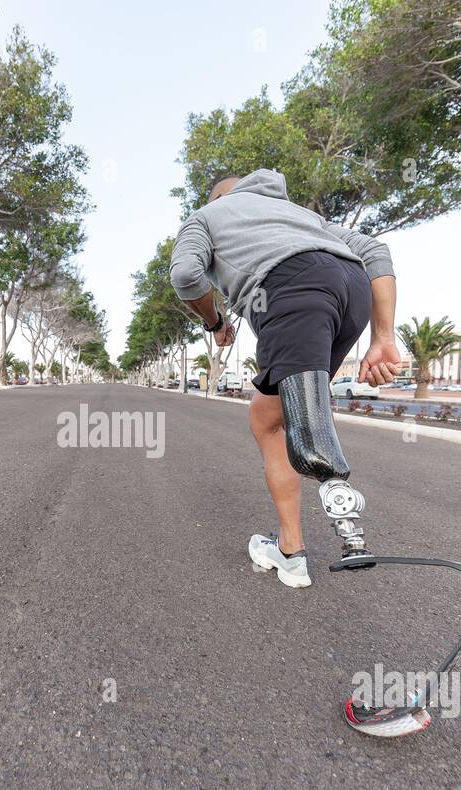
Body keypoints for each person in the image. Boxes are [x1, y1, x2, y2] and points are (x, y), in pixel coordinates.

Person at [169, 169, 404, 588]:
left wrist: (214, 321)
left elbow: (186, 275)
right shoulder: (298, 213)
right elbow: (373, 249)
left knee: (301, 428)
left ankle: (336, 517)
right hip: (352, 293)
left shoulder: (205, 216)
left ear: (217, 196)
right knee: (269, 416)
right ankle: (288, 548)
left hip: (293, 291)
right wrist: (383, 336)